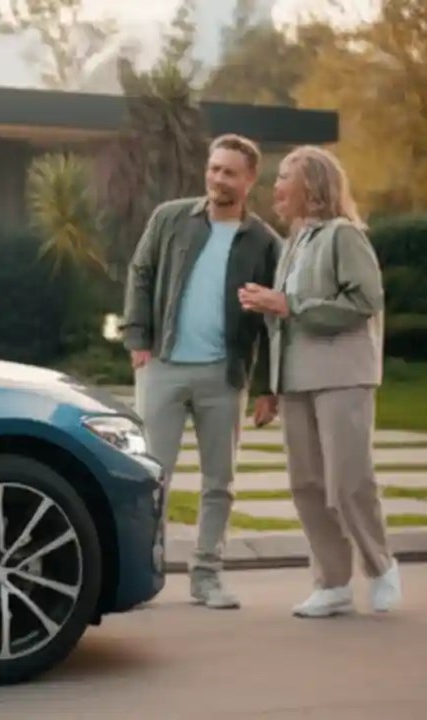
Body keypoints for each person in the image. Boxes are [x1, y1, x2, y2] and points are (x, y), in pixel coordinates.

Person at [238, 145, 400, 618]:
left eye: (284, 177)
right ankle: (333, 583)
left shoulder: (343, 235)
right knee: (306, 483)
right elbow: (285, 317)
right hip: (296, 378)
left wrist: (289, 305)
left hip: (342, 375)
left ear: (311, 184)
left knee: (348, 481)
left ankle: (381, 566)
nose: (275, 187)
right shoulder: (293, 243)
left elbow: (364, 301)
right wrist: (271, 383)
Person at [122, 134, 282, 610]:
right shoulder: (170, 218)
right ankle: (141, 573)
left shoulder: (264, 242)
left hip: (223, 377)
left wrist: (268, 387)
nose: (218, 179)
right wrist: (139, 339)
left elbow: (274, 320)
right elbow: (140, 272)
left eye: (229, 172)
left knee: (219, 483)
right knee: (151, 479)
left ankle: (207, 575)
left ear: (249, 180)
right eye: (214, 169)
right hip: (163, 368)